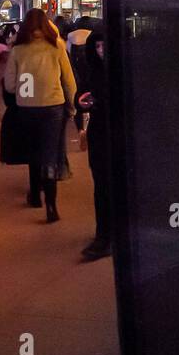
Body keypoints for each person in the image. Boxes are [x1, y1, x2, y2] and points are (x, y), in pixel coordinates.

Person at [3, 9, 76, 223]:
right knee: (50, 155)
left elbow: (9, 84)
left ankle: (35, 196)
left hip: (27, 108)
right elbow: (69, 82)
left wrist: (26, 88)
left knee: (33, 153)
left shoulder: (18, 50)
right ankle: (51, 207)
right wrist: (72, 108)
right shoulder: (57, 46)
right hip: (53, 106)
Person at [77, 23, 112, 260]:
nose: (101, 51)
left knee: (111, 186)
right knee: (101, 186)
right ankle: (104, 234)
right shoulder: (92, 71)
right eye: (97, 46)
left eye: (104, 46)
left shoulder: (120, 71)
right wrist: (82, 101)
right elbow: (80, 93)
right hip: (99, 134)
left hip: (116, 135)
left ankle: (107, 235)